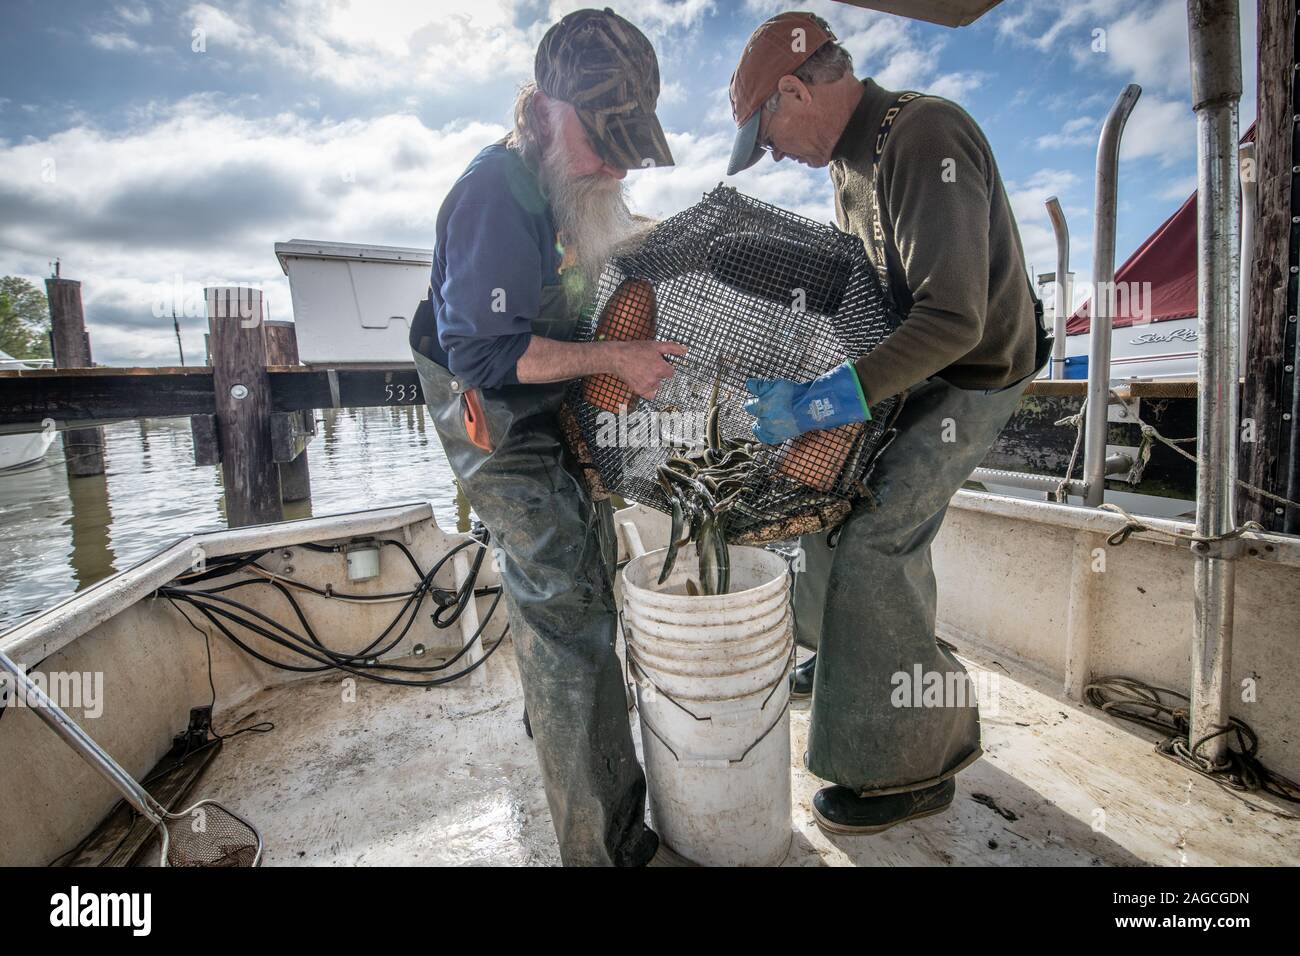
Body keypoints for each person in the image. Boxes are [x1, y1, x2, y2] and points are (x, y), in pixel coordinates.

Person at [727, 11, 1050, 835]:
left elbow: (953, 322)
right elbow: (872, 305)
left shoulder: (924, 133)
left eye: (767, 136)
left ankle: (915, 759)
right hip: (915, 380)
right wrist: (805, 379)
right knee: (822, 510)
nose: (773, 157)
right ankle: (854, 663)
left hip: (973, 381)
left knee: (876, 538)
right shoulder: (847, 169)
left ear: (796, 90)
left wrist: (823, 402)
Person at [410, 8, 686, 866]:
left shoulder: (578, 182)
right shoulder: (498, 189)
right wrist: (617, 357)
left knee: (585, 571)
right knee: (565, 598)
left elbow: (604, 259)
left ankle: (561, 726)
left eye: (628, 141)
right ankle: (603, 848)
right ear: (544, 107)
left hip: (549, 389)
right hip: (486, 407)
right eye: (603, 138)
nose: (616, 160)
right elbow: (485, 352)